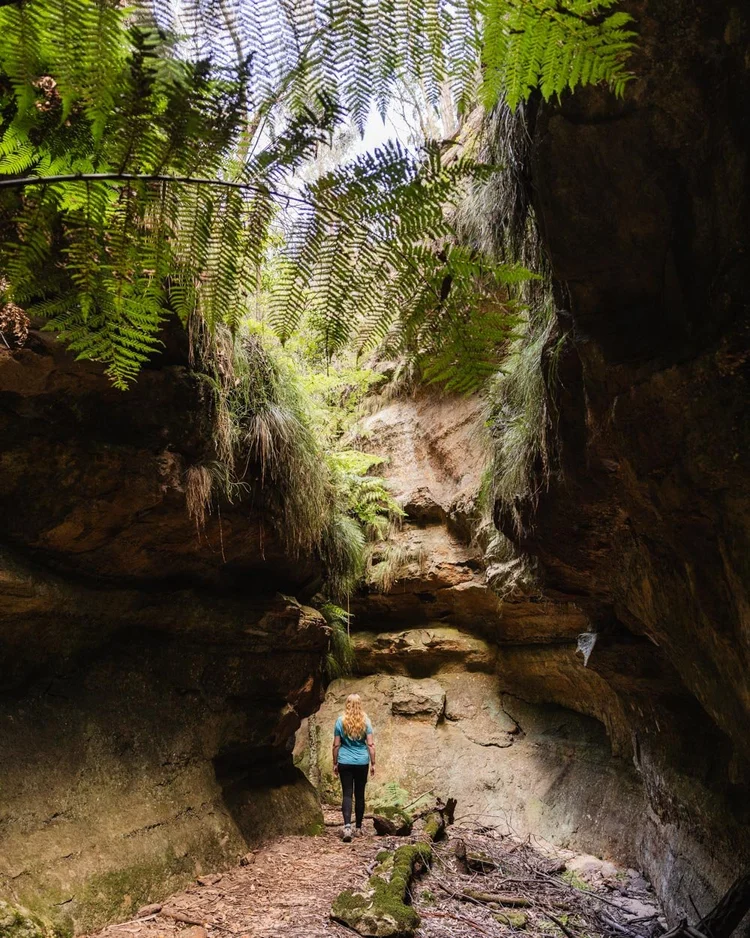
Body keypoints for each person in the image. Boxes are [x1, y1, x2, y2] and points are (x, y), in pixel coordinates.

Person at [333, 693, 375, 842]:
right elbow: (370, 745)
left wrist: (335, 763)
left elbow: (336, 745)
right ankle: (358, 827)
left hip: (345, 761)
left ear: (347, 704)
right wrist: (373, 763)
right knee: (360, 794)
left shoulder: (340, 721)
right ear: (360, 704)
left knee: (347, 794)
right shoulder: (366, 722)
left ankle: (347, 827)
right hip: (362, 762)